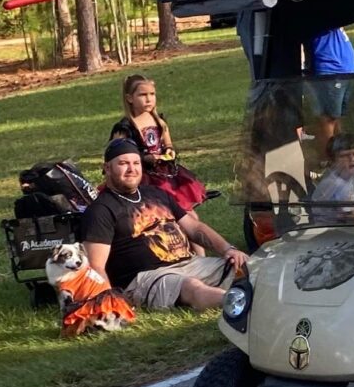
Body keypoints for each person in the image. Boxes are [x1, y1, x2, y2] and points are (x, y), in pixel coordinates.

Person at [81, 139, 249, 311]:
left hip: (190, 264)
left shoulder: (156, 194)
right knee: (192, 286)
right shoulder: (100, 210)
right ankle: (239, 302)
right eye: (123, 164)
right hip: (148, 277)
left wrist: (228, 249)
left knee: (249, 267)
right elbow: (96, 266)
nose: (132, 169)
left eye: (136, 163)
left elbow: (194, 228)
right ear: (107, 168)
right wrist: (111, 304)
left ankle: (255, 297)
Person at [110, 74, 209, 211]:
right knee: (158, 210)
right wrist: (144, 158)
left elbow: (168, 143)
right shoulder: (125, 127)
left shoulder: (159, 121)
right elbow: (118, 155)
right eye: (142, 95)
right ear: (129, 98)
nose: (149, 99)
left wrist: (169, 151)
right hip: (143, 176)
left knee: (183, 210)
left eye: (152, 94)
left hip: (165, 173)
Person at [306, 28, 354, 157]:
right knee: (328, 119)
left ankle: (344, 157)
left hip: (347, 69)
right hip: (330, 70)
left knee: (338, 118)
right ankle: (331, 161)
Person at [311, 133, 354, 222]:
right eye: (345, 155)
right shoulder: (336, 184)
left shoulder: (347, 179)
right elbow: (353, 219)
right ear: (333, 160)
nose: (352, 159)